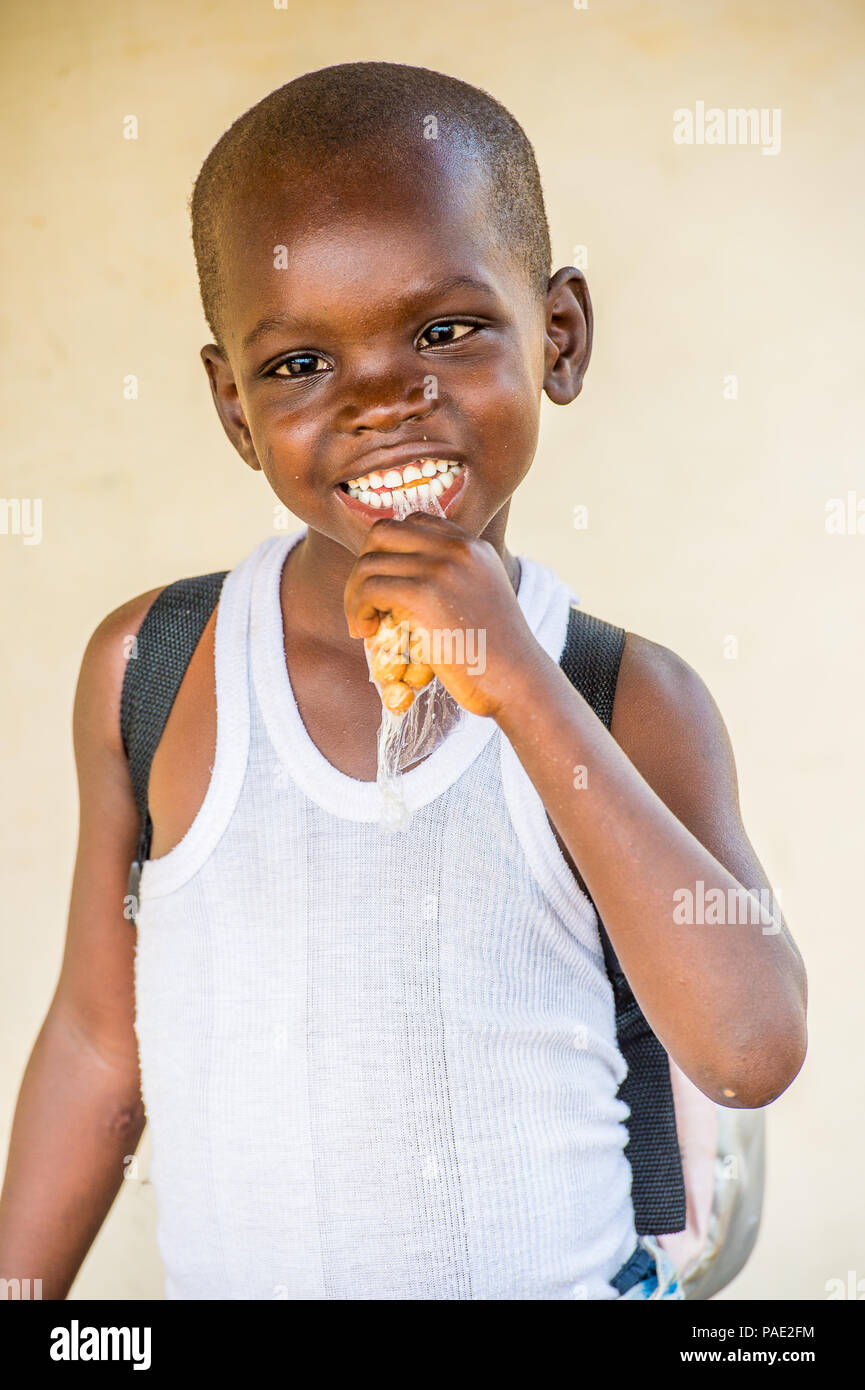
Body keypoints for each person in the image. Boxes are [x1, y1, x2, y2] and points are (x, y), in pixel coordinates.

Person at [0, 61, 807, 1301]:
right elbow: (103, 1042)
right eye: (299, 367)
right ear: (232, 408)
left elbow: (749, 1051)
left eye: (443, 331)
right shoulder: (154, 670)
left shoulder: (619, 694)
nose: (384, 399)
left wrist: (523, 688)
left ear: (560, 336)